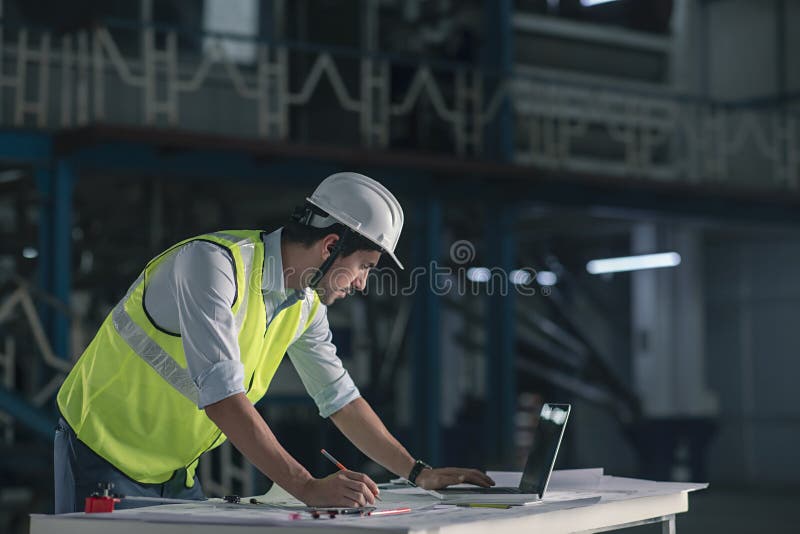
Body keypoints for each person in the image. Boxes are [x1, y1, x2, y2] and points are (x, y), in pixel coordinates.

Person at [54, 172, 494, 513]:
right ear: (330, 245)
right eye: (363, 265)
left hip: (173, 471)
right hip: (101, 455)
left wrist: (419, 473)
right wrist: (306, 487)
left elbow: (340, 399)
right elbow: (223, 397)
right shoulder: (213, 266)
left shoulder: (304, 304)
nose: (362, 283)